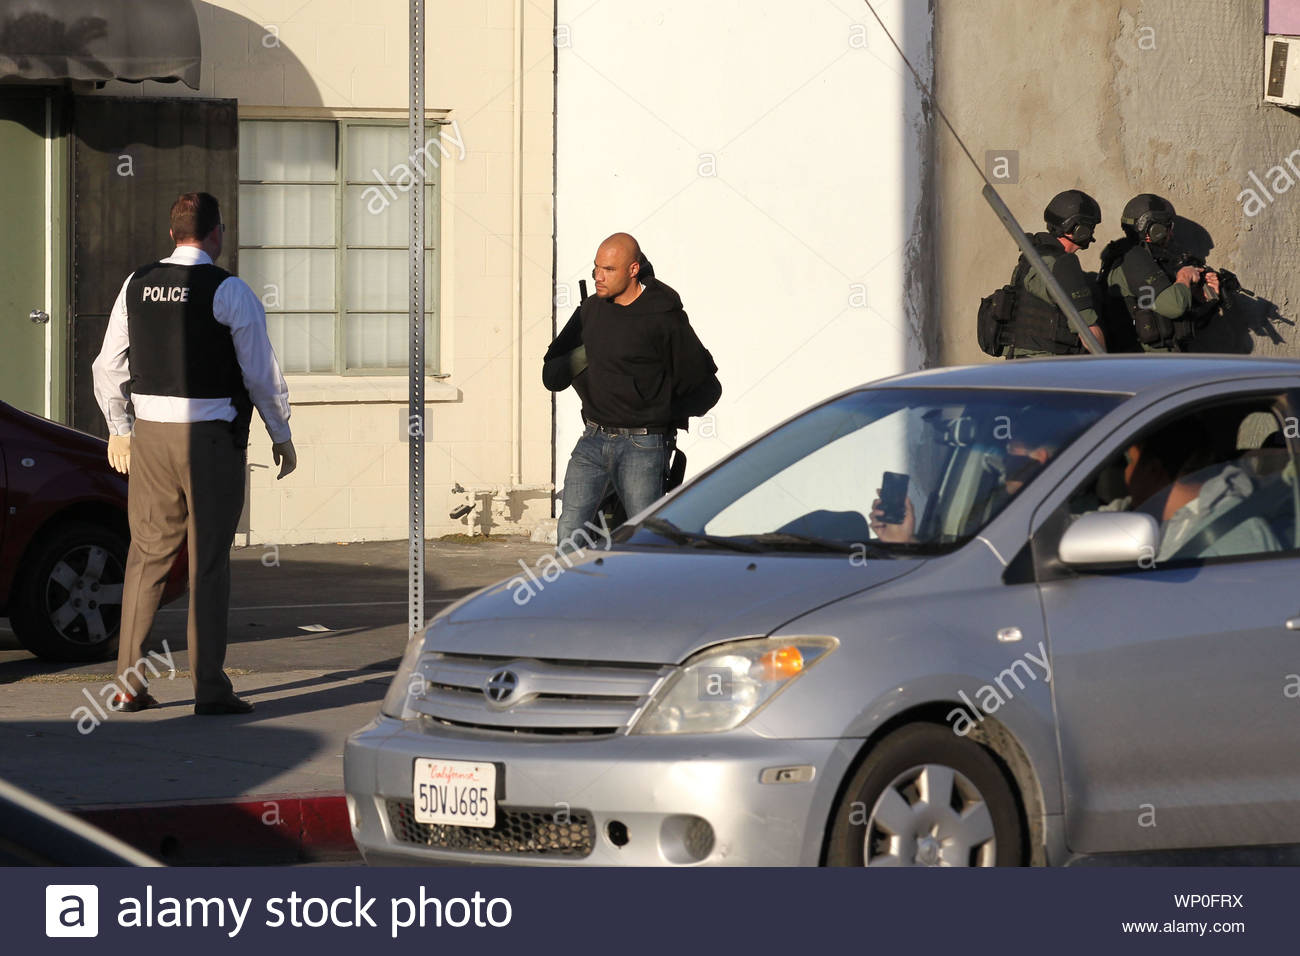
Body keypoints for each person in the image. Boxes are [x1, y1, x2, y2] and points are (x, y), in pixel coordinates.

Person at [91, 192, 296, 715]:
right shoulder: (229, 289)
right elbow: (260, 375)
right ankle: (209, 688)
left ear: (170, 233)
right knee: (207, 563)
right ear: (216, 234)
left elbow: (107, 366)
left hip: (151, 436)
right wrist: (280, 432)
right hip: (210, 439)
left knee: (146, 557)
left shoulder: (135, 284)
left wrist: (119, 428)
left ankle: (125, 685)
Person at [544, 233, 720, 551]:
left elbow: (706, 386)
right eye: (596, 268)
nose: (599, 276)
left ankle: (648, 599)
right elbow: (552, 371)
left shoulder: (663, 317)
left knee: (643, 540)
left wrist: (661, 414)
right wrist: (590, 353)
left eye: (609, 269)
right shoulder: (590, 311)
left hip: (644, 445)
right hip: (593, 440)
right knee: (570, 532)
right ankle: (567, 599)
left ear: (633, 269)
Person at [1102, 424, 1278, 561]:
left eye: (1130, 461)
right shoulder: (1144, 511)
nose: (1125, 472)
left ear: (1154, 470)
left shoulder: (1236, 538)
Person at [1099, 194, 1221, 353]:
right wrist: (1184, 276)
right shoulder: (1133, 259)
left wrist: (1205, 299)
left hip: (1160, 361)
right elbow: (1174, 307)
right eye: (1168, 227)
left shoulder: (1150, 261)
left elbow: (1178, 322)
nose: (1171, 233)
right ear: (1154, 230)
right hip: (1144, 365)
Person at [1001, 190, 1107, 358]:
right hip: (1050, 369)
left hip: (1018, 367)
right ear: (1079, 228)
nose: (1092, 233)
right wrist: (1109, 367)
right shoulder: (1064, 264)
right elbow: (1089, 334)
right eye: (1090, 227)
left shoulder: (1030, 259)